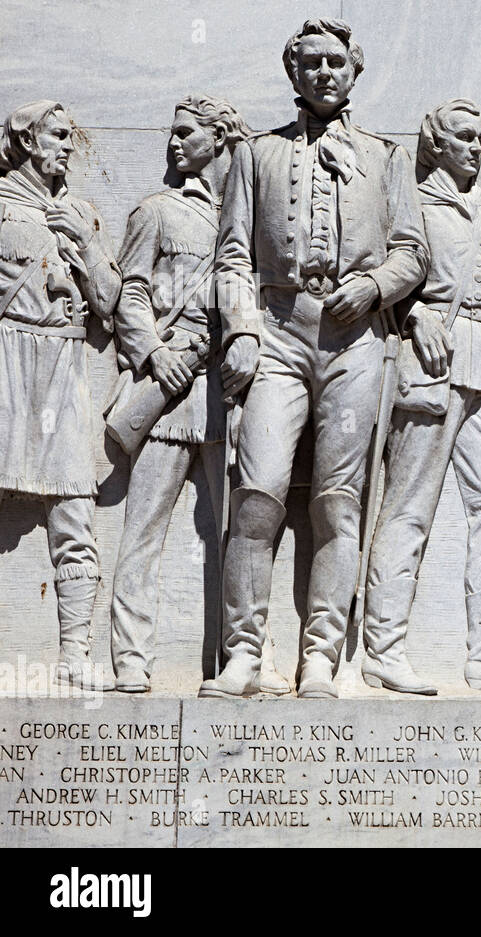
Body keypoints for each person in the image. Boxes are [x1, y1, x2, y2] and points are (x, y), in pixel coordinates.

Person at [200, 18, 428, 699]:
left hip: (355, 340)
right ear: (294, 73)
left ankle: (322, 655)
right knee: (258, 495)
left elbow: (413, 252)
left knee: (338, 502)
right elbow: (232, 255)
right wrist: (240, 329)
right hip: (277, 331)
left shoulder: (386, 157)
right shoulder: (256, 155)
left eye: (336, 62)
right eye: (312, 63)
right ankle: (242, 652)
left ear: (354, 72)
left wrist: (375, 285)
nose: (325, 73)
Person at [109, 96, 294, 695]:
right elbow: (129, 294)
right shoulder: (159, 212)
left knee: (239, 532)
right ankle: (131, 660)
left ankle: (239, 660)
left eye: (186, 132)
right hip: (167, 394)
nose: (174, 143)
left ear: (219, 139)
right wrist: (152, 353)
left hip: (232, 394)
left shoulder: (251, 220)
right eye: (171, 133)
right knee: (143, 531)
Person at [359, 99, 481, 695]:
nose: (478, 148)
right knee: (408, 508)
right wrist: (415, 312)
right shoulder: (414, 202)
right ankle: (383, 646)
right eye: (466, 137)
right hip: (429, 361)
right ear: (436, 144)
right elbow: (375, 270)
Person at [0, 100, 122, 690]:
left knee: (74, 507)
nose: (69, 146)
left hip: (64, 360)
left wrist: (89, 248)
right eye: (58, 135)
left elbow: (110, 304)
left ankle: (76, 652)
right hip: (5, 357)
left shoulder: (79, 211)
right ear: (26, 142)